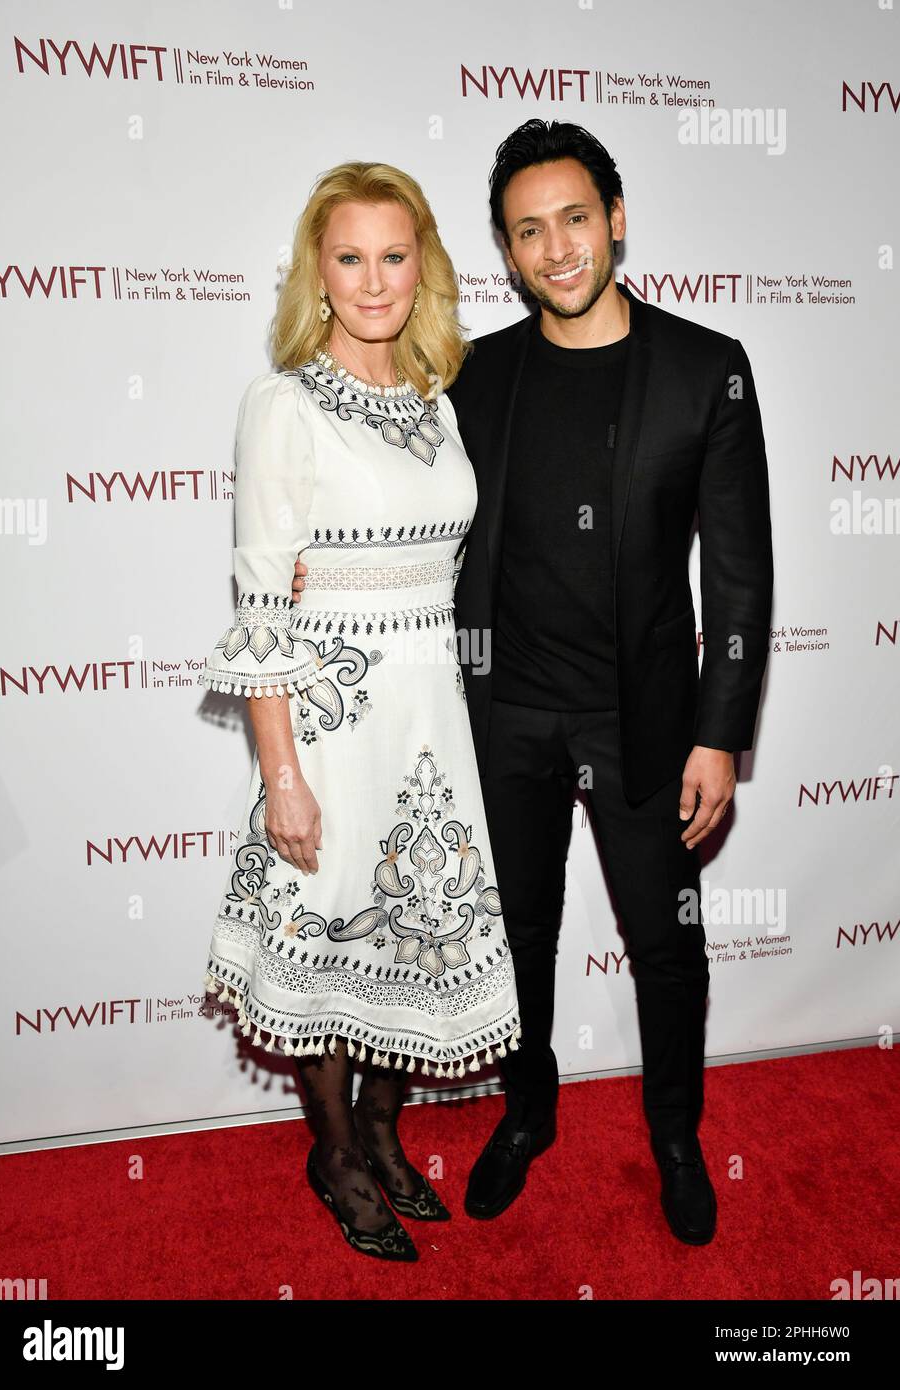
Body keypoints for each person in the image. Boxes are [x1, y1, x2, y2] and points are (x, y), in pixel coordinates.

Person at [293, 120, 775, 1248]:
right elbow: (396, 491)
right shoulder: (477, 372)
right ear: (506, 251)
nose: (556, 248)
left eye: (573, 218)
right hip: (499, 711)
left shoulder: (709, 367)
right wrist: (317, 555)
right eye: (528, 230)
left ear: (615, 219)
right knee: (520, 936)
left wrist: (721, 735)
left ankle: (674, 1135)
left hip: (646, 716)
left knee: (665, 941)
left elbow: (741, 574)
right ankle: (528, 1110)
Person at [201, 161, 522, 1262]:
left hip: (430, 714)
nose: (375, 279)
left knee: (419, 929)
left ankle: (385, 1130)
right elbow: (258, 602)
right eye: (351, 257)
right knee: (330, 928)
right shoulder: (282, 403)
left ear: (422, 265)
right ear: (318, 273)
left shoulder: (437, 401)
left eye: (396, 255)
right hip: (332, 724)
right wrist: (280, 772)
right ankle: (334, 1151)